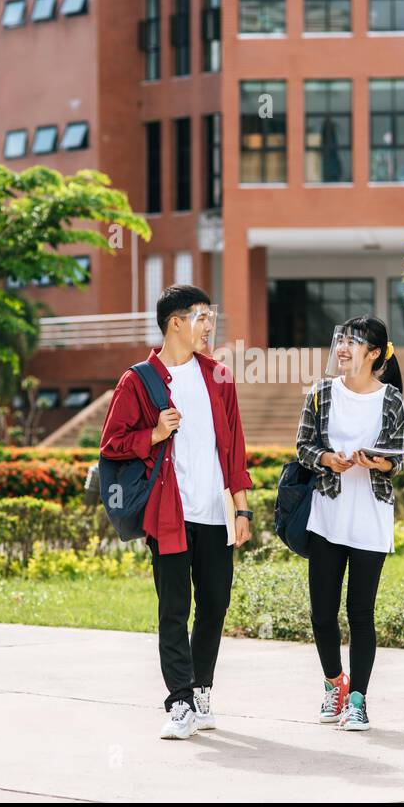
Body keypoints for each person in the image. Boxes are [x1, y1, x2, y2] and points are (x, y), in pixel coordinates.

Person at [99, 285, 254, 740]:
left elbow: (234, 450)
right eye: (202, 317)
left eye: (211, 317)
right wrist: (152, 434)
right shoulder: (139, 380)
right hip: (168, 512)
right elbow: (111, 445)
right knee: (174, 609)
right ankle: (180, 701)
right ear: (176, 323)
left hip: (215, 511)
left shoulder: (219, 377)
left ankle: (201, 690)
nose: (210, 326)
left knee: (215, 605)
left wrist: (242, 511)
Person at [294, 315, 404, 732]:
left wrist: (376, 462)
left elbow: (398, 459)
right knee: (322, 613)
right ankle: (333, 684)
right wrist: (328, 459)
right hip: (327, 517)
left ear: (374, 353)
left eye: (353, 342)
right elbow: (303, 447)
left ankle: (357, 700)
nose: (342, 348)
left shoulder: (391, 399)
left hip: (371, 521)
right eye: (339, 340)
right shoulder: (322, 393)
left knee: (360, 613)